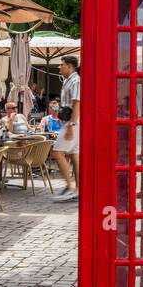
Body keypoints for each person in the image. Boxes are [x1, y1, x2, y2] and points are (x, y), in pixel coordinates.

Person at [52, 55, 81, 201]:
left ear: (69, 66)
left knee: (57, 152)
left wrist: (72, 125)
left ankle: (69, 187)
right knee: (75, 156)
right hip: (69, 122)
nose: (59, 67)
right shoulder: (67, 81)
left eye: (61, 64)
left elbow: (77, 104)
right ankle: (78, 190)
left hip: (72, 122)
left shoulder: (76, 81)